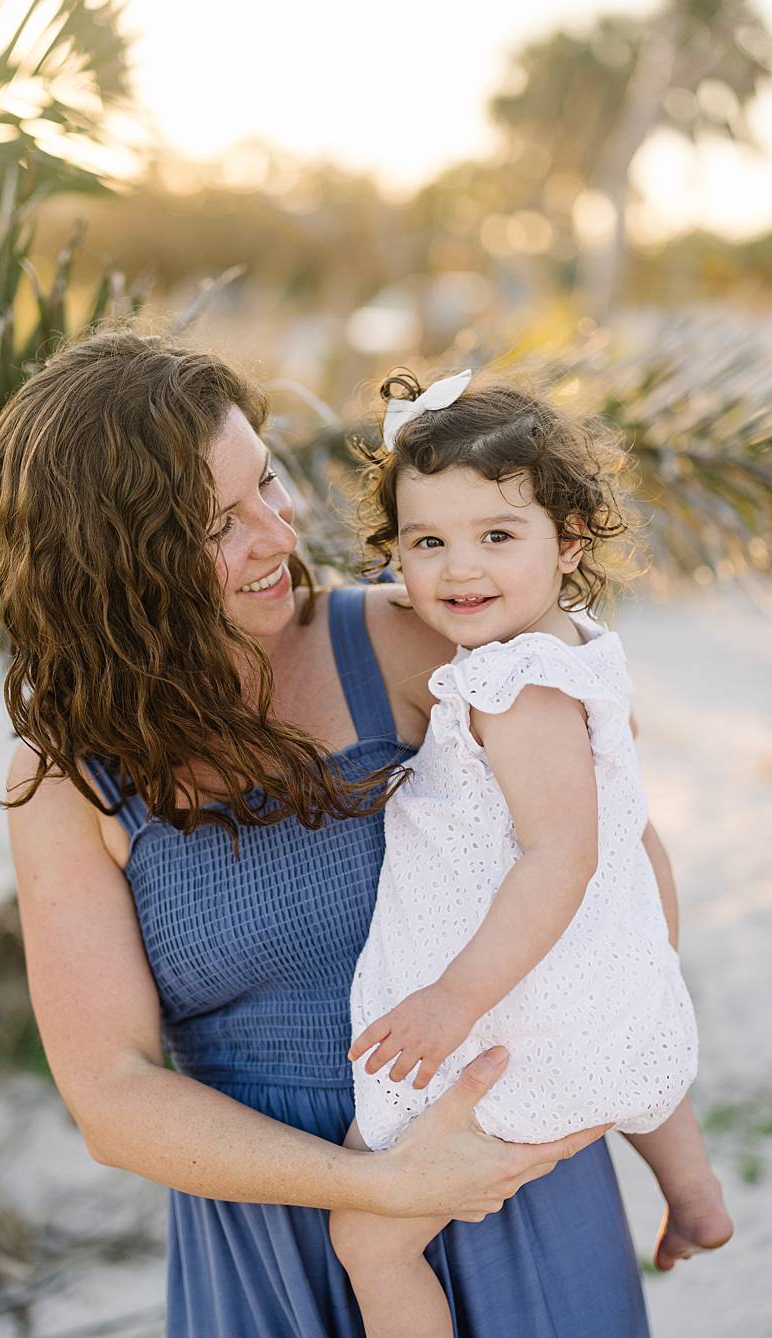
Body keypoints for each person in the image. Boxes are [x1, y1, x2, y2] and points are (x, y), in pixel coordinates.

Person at [0, 329, 647, 1336]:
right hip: (273, 1239)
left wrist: (585, 1096)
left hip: (505, 1186)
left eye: (268, 482)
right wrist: (376, 1192)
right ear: (116, 569)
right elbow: (112, 1099)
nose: (277, 535)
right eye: (217, 527)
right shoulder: (69, 782)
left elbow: (621, 869)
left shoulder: (417, 644)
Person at [325, 371, 731, 1336]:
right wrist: (648, 954)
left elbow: (561, 855)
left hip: (509, 1010)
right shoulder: (582, 648)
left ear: (569, 542)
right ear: (394, 560)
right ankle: (695, 1190)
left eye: (497, 537)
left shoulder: (511, 684)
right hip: (588, 976)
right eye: (429, 543)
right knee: (630, 1042)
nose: (460, 571)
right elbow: (629, 831)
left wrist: (451, 1000)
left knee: (368, 1235)